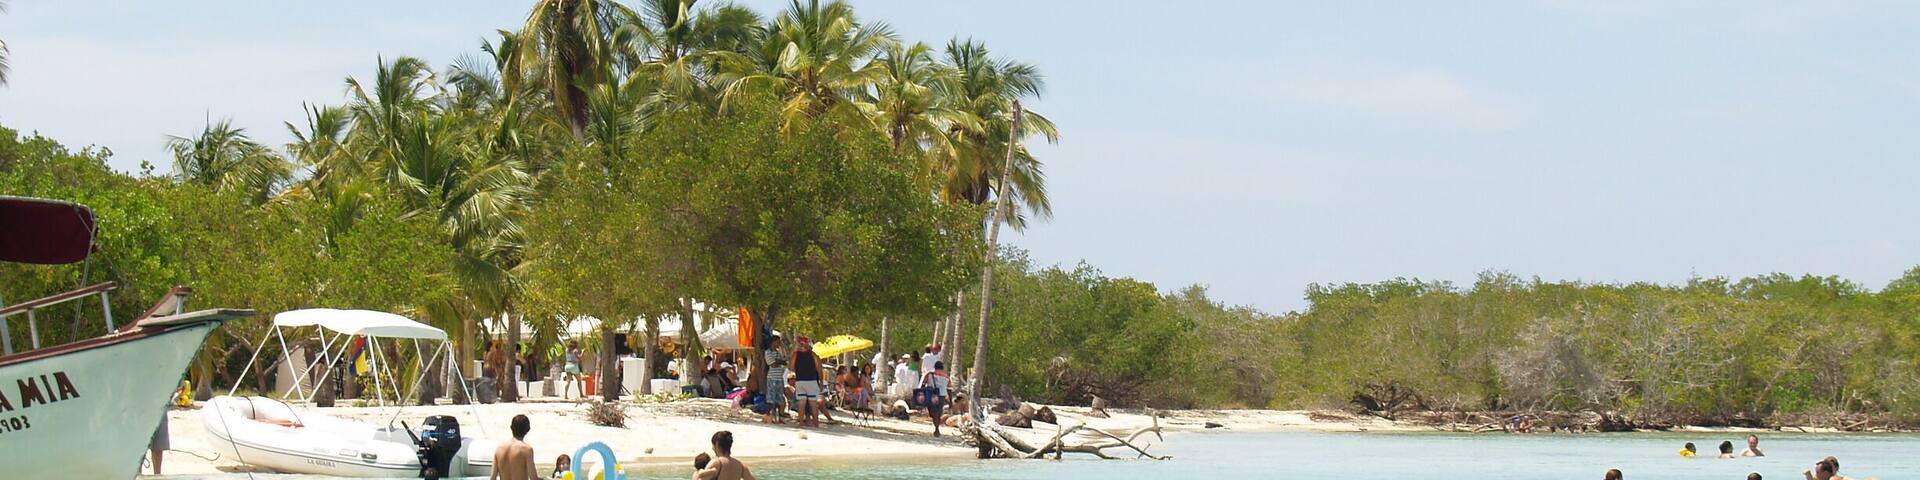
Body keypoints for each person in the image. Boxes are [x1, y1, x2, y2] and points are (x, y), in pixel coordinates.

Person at [490, 414, 538, 480]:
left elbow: (492, 478)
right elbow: (533, 478)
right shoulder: (527, 450)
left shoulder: (499, 449)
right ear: (527, 429)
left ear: (511, 428)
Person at [791, 337, 824, 427]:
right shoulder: (813, 355)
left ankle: (801, 423)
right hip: (812, 381)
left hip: (800, 381)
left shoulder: (795, 354)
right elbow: (819, 369)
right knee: (813, 403)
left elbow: (791, 367)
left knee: (801, 403)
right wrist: (821, 381)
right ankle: (816, 424)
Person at [762, 336, 788, 424]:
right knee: (771, 399)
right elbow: (773, 364)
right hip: (772, 378)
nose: (779, 344)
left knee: (778, 399)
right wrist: (780, 361)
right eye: (778, 342)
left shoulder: (778, 352)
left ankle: (778, 417)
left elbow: (784, 361)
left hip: (779, 378)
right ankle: (769, 416)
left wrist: (779, 361)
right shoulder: (768, 352)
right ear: (773, 342)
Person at [923, 362, 951, 436]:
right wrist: (950, 401)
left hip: (932, 394)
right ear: (942, 368)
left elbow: (923, 384)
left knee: (933, 411)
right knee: (938, 412)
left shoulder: (929, 374)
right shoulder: (946, 376)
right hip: (942, 395)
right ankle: (937, 428)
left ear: (935, 367)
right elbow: (949, 389)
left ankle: (936, 429)